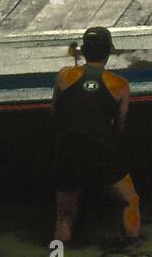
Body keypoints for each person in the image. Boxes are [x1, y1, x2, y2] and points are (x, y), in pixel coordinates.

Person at [52, 26, 140, 243]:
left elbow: (55, 115)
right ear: (110, 50)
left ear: (83, 50)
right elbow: (120, 128)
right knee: (130, 202)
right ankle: (134, 251)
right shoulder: (119, 85)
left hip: (68, 150)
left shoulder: (63, 76)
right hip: (100, 150)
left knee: (65, 215)